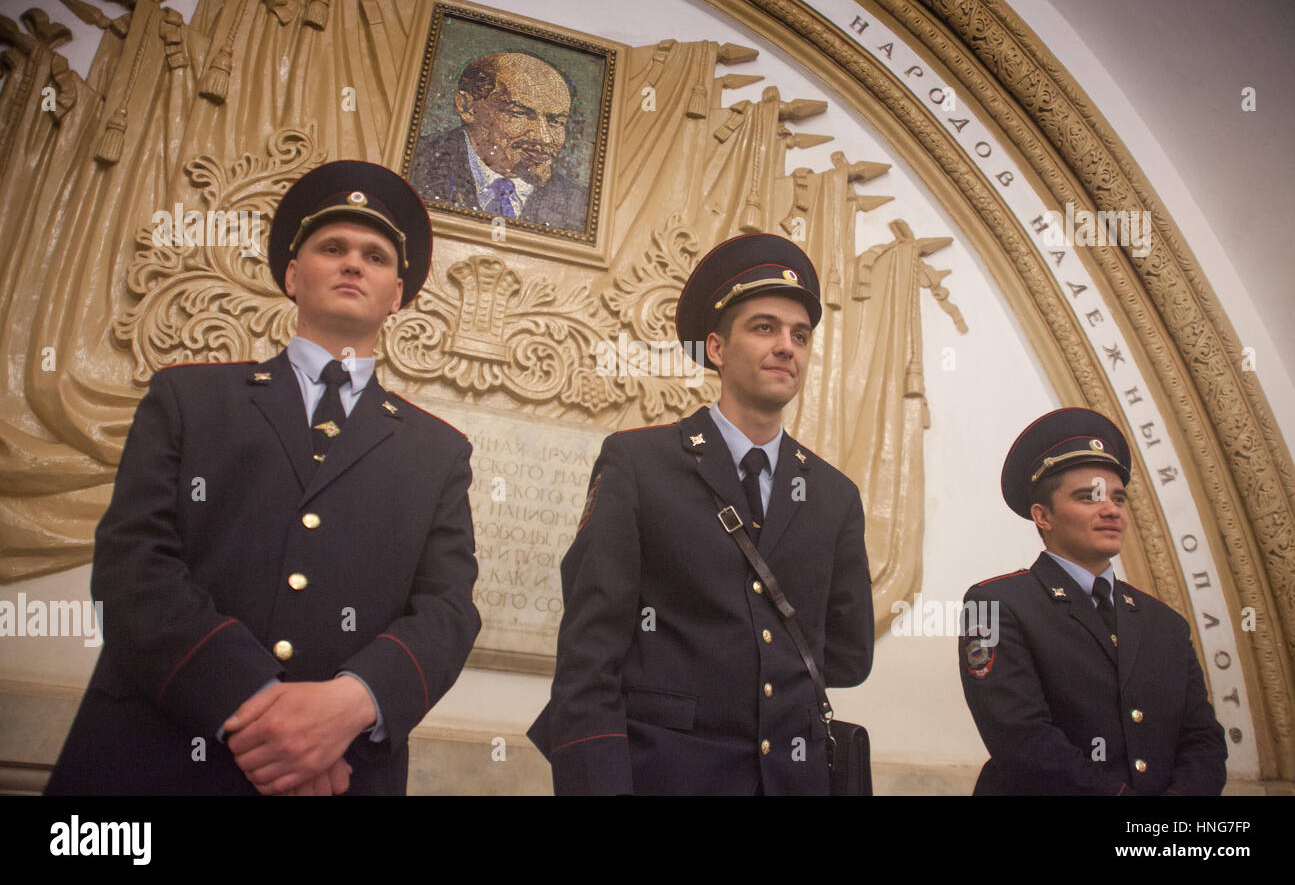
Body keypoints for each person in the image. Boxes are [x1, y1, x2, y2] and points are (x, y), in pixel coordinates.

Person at [46, 160, 481, 795]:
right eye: (331, 247)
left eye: (376, 255)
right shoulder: (188, 399)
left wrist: (351, 705)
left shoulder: (440, 450)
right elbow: (133, 564)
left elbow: (446, 610)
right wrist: (262, 713)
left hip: (347, 769)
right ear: (291, 275)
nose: (353, 263)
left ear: (397, 295)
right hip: (154, 761)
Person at [528, 233, 873, 794]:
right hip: (663, 775)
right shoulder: (640, 463)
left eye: (800, 335)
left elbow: (850, 655)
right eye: (765, 328)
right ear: (715, 348)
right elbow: (591, 651)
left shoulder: (835, 495)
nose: (787, 346)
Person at [958, 407, 1227, 795]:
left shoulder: (1165, 623)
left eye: (1119, 499)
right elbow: (1022, 739)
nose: (1111, 510)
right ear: (1043, 516)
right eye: (1090, 497)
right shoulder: (994, 605)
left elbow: (1203, 739)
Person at [410, 52, 587, 231]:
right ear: (467, 107)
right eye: (518, 113)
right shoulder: (414, 162)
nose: (544, 137)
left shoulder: (579, 204)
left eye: (556, 121)